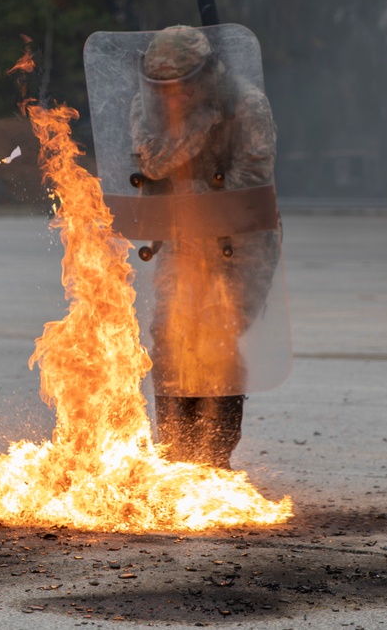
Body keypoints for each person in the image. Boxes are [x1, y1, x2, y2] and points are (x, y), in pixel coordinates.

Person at [129, 25, 282, 469]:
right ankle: (176, 452)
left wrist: (190, 194)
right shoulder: (147, 106)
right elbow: (150, 160)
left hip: (242, 241)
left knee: (216, 335)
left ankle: (215, 455)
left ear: (204, 77)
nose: (170, 98)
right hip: (181, 237)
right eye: (162, 89)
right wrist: (195, 122)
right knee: (171, 335)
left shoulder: (245, 105)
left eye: (181, 88)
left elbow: (251, 180)